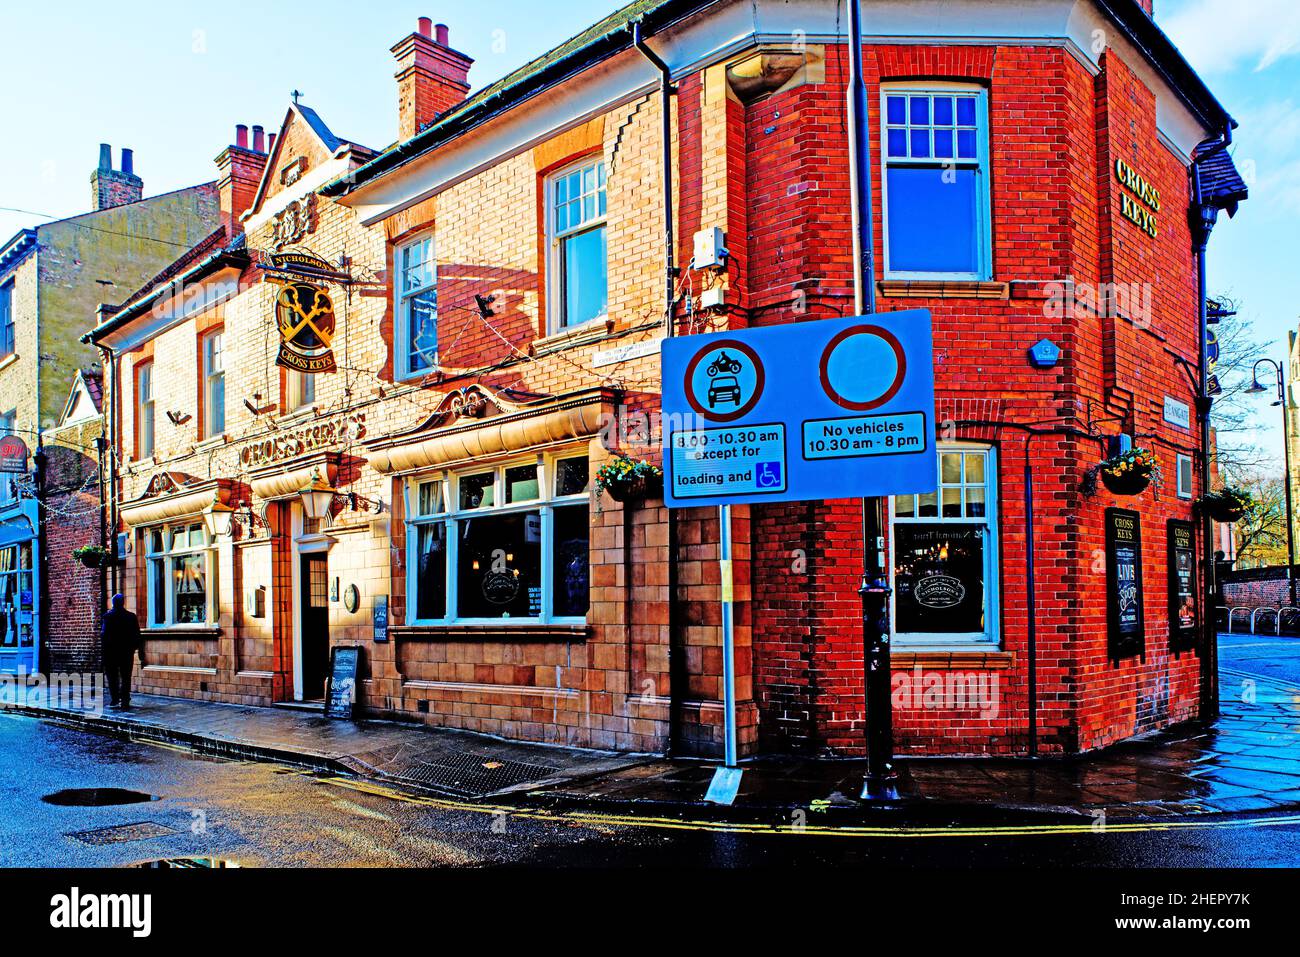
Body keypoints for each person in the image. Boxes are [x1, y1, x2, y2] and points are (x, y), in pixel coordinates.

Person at [101, 593, 145, 708]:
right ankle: (125, 699)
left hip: (111, 653)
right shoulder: (131, 617)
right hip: (126, 653)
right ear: (123, 603)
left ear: (113, 603)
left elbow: (104, 636)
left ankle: (115, 699)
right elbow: (137, 634)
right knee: (126, 677)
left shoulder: (107, 617)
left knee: (112, 677)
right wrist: (137, 649)